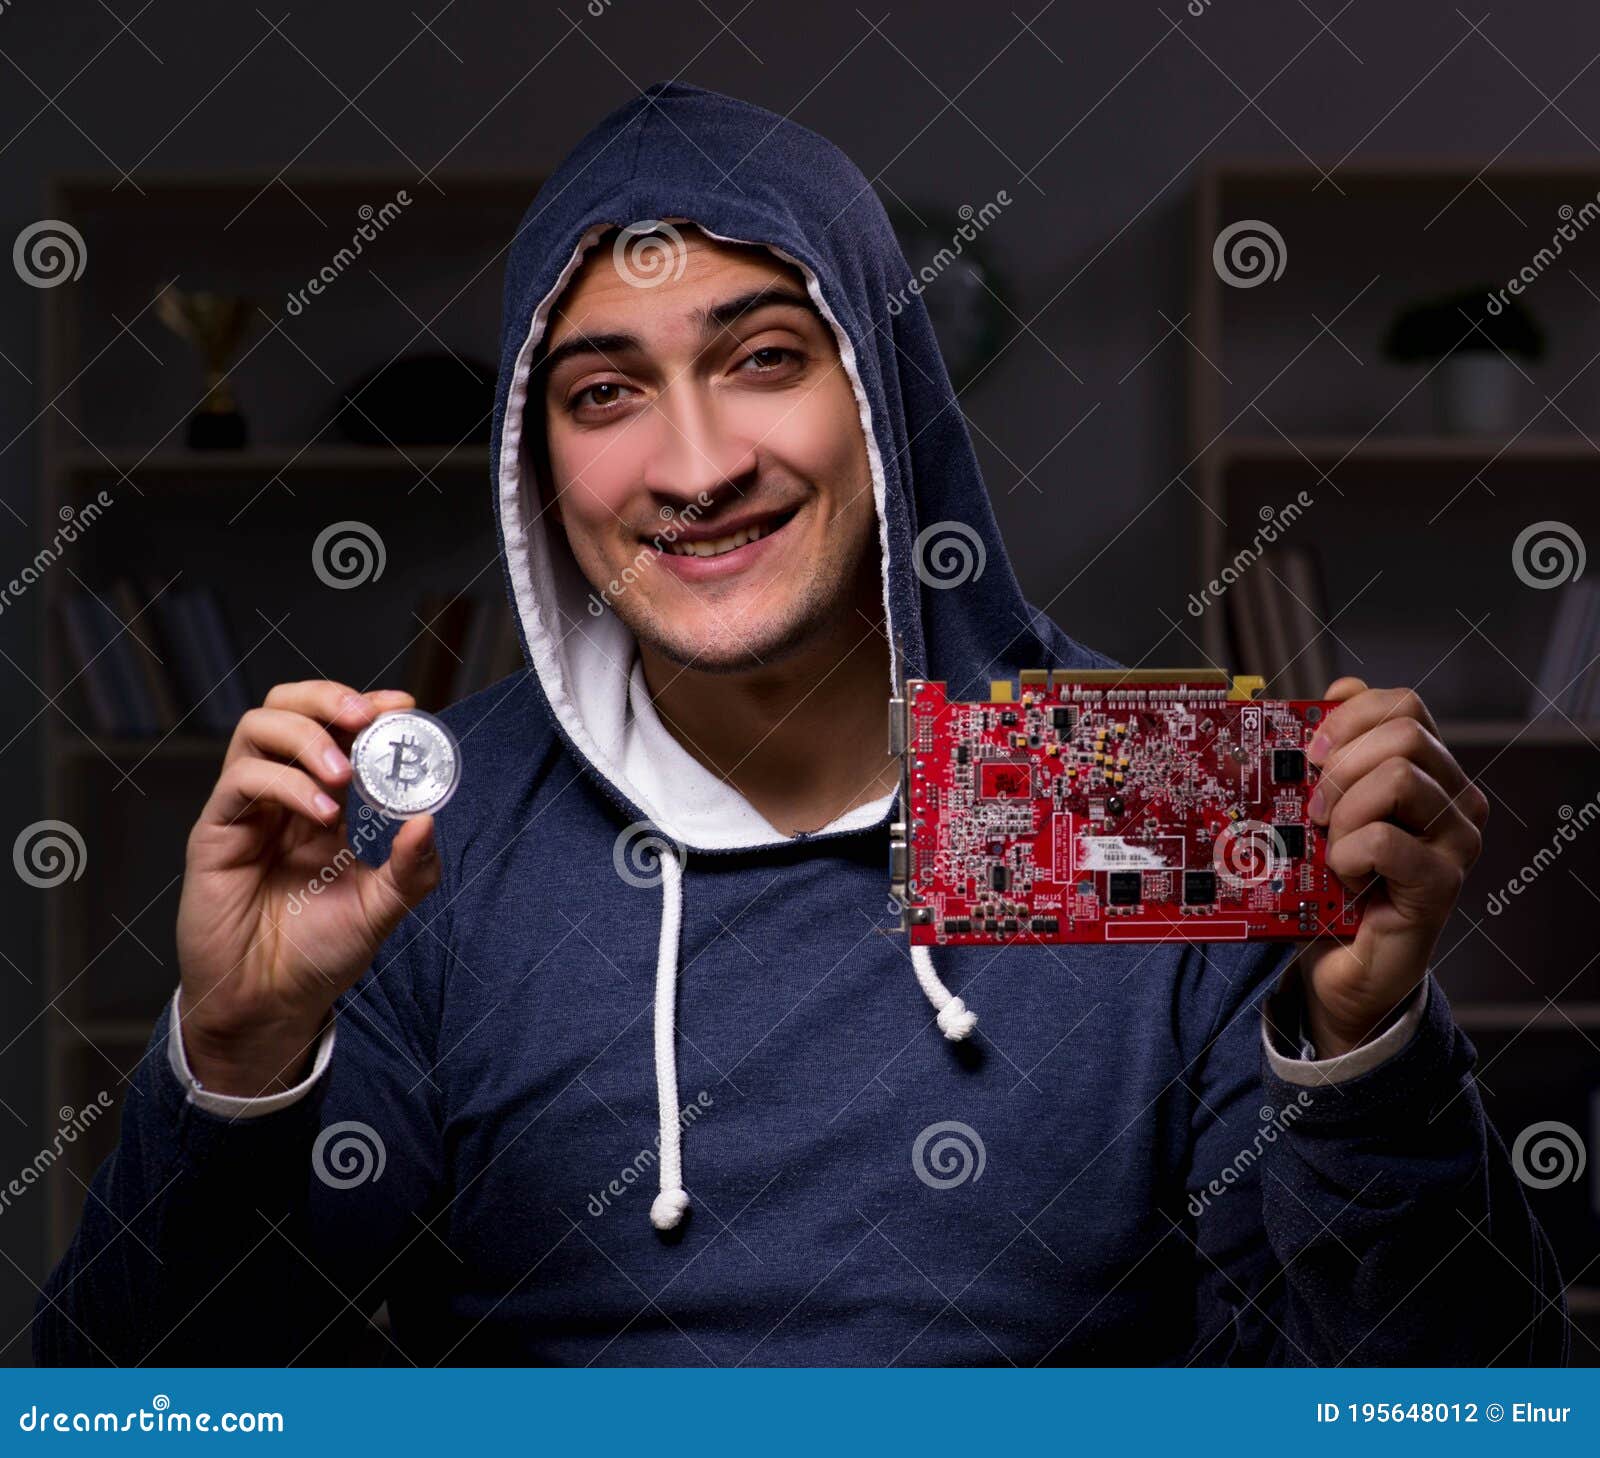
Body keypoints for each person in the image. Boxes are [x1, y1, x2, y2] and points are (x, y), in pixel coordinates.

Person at [36, 81, 1563, 1367]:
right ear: (533, 458)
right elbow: (133, 1414)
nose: (694, 464)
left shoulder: (1149, 803)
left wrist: (1363, 1052)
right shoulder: (415, 842)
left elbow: (1456, 1412)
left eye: (763, 358)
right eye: (604, 391)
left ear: (884, 388)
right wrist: (233, 1060)